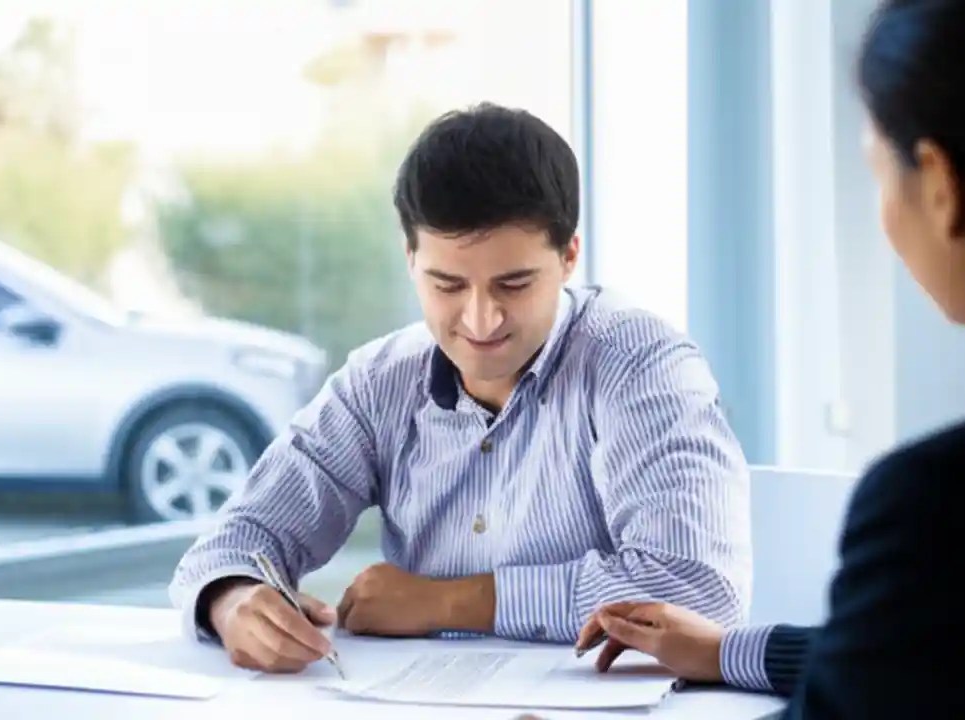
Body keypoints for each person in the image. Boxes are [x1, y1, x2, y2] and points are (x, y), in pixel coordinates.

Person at [168, 102, 753, 673]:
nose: (480, 320)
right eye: (447, 285)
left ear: (569, 256)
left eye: (514, 284)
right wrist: (233, 599)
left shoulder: (642, 366)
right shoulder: (378, 383)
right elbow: (233, 543)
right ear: (411, 259)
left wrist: (448, 602)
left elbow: (698, 589)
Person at [580, 0, 965, 716]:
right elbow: (927, 650)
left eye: (877, 172)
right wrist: (727, 650)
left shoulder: (941, 508)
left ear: (938, 184)